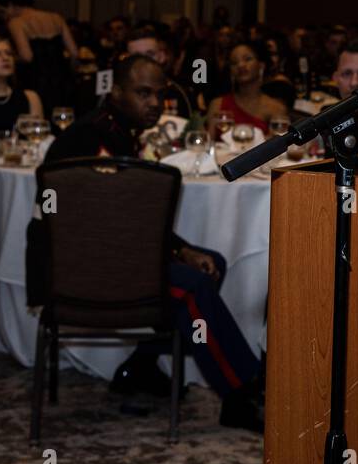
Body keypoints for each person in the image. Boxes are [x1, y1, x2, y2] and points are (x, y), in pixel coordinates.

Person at [40, 55, 264, 432]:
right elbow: (96, 225)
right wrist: (174, 253)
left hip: (115, 255)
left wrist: (182, 251)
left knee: (210, 263)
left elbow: (130, 218)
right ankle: (241, 395)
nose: (154, 104)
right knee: (193, 286)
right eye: (143, 93)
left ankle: (141, 367)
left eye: (159, 95)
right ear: (115, 92)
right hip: (84, 270)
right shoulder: (88, 137)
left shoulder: (117, 130)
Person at [0, 0, 77, 117]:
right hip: (62, 82)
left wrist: (10, 57)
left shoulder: (16, 22)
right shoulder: (56, 17)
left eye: (2, 12)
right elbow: (74, 52)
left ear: (10, 5)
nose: (4, 17)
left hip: (36, 82)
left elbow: (27, 56)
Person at [207, 41, 289, 134]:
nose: (241, 65)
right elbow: (207, 144)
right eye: (234, 62)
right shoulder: (217, 105)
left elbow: (279, 146)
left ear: (261, 65)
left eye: (247, 59)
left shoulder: (276, 108)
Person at [125, 26, 194, 118]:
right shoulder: (120, 97)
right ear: (127, 60)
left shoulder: (180, 93)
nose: (143, 61)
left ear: (161, 57)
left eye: (150, 54)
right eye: (136, 56)